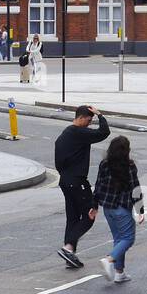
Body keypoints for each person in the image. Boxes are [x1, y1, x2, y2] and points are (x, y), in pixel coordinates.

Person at [54, 106, 112, 269]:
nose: (89, 124)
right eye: (88, 120)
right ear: (81, 118)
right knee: (89, 215)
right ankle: (68, 248)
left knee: (72, 218)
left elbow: (58, 163)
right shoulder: (78, 132)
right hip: (77, 181)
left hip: (65, 181)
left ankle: (69, 256)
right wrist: (100, 114)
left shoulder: (63, 136)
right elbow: (104, 132)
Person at [94, 135, 145, 284]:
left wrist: (94, 205)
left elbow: (98, 185)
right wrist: (140, 210)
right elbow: (136, 189)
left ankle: (119, 273)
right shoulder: (129, 166)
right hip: (122, 208)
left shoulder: (104, 164)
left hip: (108, 208)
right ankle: (109, 260)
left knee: (119, 239)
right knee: (128, 239)